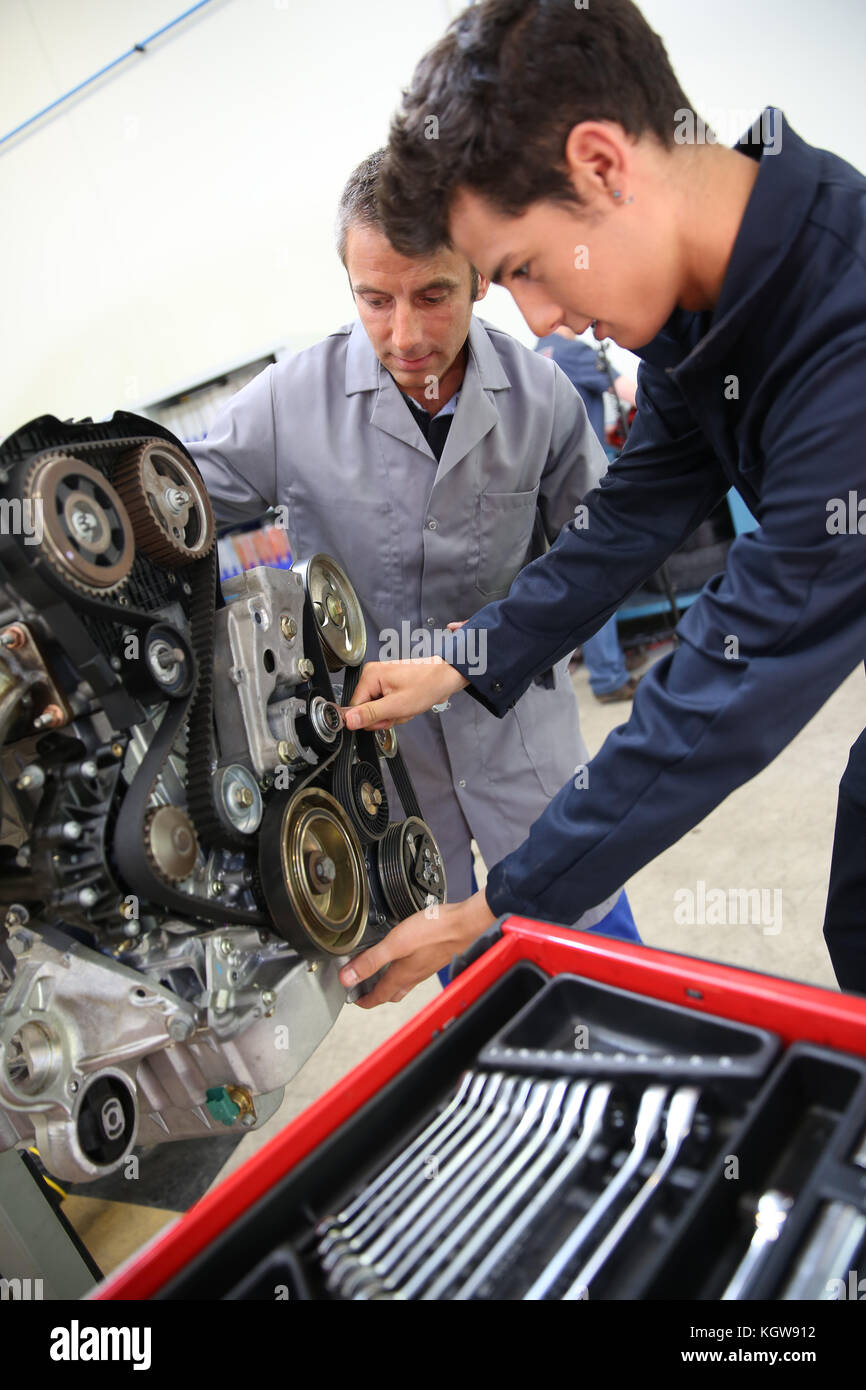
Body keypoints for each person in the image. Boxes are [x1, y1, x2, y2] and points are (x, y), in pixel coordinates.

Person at [336, 0, 866, 1008]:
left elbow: (720, 687)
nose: (539, 317)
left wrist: (498, 903)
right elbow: (621, 523)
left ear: (600, 165)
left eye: (524, 270)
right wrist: (463, 656)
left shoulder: (843, 331)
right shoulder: (701, 311)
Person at [186, 148, 639, 971]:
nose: (405, 334)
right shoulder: (292, 401)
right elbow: (170, 500)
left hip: (527, 760)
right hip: (391, 789)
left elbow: (603, 556)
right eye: (374, 299)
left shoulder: (541, 402)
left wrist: (500, 641)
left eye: (433, 294)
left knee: (611, 983)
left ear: (481, 277)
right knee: (478, 1022)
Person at [535, 326, 640, 702]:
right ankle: (609, 677)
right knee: (597, 571)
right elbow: (629, 391)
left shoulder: (536, 354)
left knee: (576, 572)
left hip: (548, 486)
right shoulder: (573, 352)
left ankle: (603, 665)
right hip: (585, 479)